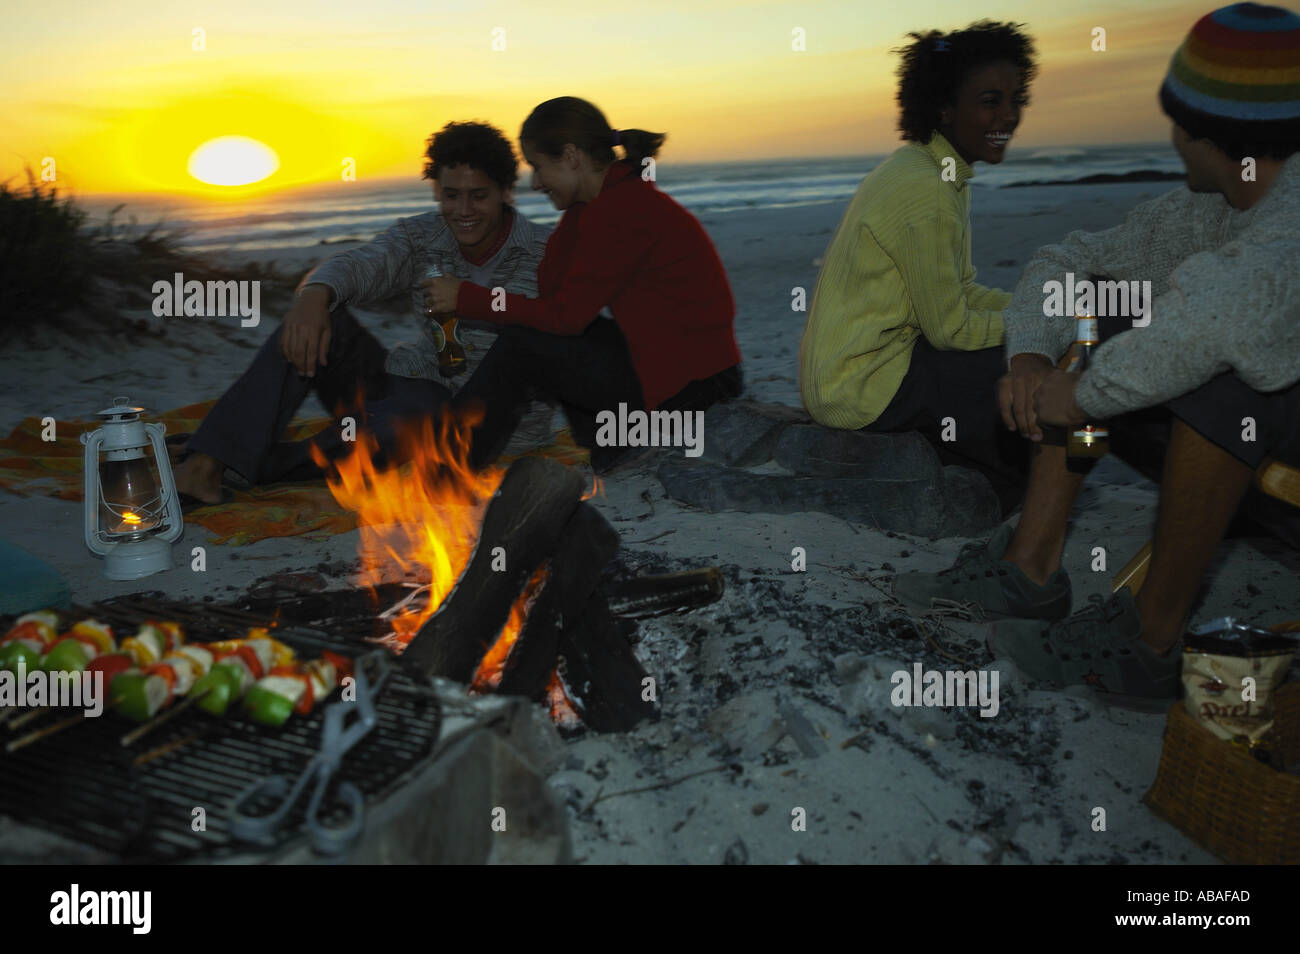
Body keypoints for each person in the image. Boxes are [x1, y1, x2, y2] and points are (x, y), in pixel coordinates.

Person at [893, 1, 1300, 707]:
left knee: (1225, 377)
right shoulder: (1210, 209)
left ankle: (1149, 643)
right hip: (1255, 429)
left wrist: (1080, 396)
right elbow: (1070, 261)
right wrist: (1030, 358)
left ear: (1194, 128)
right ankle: (1030, 568)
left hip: (1269, 434)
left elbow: (1222, 318)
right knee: (1101, 309)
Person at [172, 121, 550, 505]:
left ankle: (235, 457)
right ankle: (205, 467)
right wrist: (313, 296)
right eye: (452, 195)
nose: (463, 210)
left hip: (487, 425)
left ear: (506, 191)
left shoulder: (545, 252)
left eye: (478, 196)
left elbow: (562, 331)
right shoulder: (422, 236)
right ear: (437, 190)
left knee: (409, 425)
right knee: (320, 324)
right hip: (410, 387)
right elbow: (359, 264)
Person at [423, 96, 744, 471]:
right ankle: (605, 449)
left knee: (522, 344)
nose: (536, 183)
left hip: (692, 396)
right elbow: (553, 292)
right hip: (690, 379)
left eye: (539, 167)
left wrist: (467, 298)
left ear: (571, 156)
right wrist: (575, 210)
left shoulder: (619, 210)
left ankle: (446, 468)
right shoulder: (609, 202)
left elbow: (564, 318)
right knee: (535, 335)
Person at [799, 22, 1038, 516]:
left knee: (1022, 353)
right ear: (943, 107)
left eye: (1016, 100)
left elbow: (961, 289)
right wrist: (1037, 322)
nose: (1009, 116)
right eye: (990, 101)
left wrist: (1033, 304)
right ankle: (1006, 503)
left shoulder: (934, 170)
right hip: (859, 384)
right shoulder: (926, 188)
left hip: (876, 361)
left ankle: (998, 486)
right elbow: (950, 329)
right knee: (1022, 369)